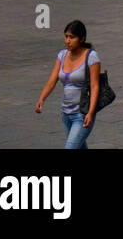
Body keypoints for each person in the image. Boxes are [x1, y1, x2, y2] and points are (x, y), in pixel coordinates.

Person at [35, 20, 101, 149]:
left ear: (82, 39)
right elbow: (52, 80)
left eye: (72, 37)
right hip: (65, 114)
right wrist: (42, 98)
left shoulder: (91, 56)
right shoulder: (62, 55)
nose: (67, 41)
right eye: (66, 36)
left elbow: (95, 86)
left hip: (82, 114)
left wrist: (90, 113)